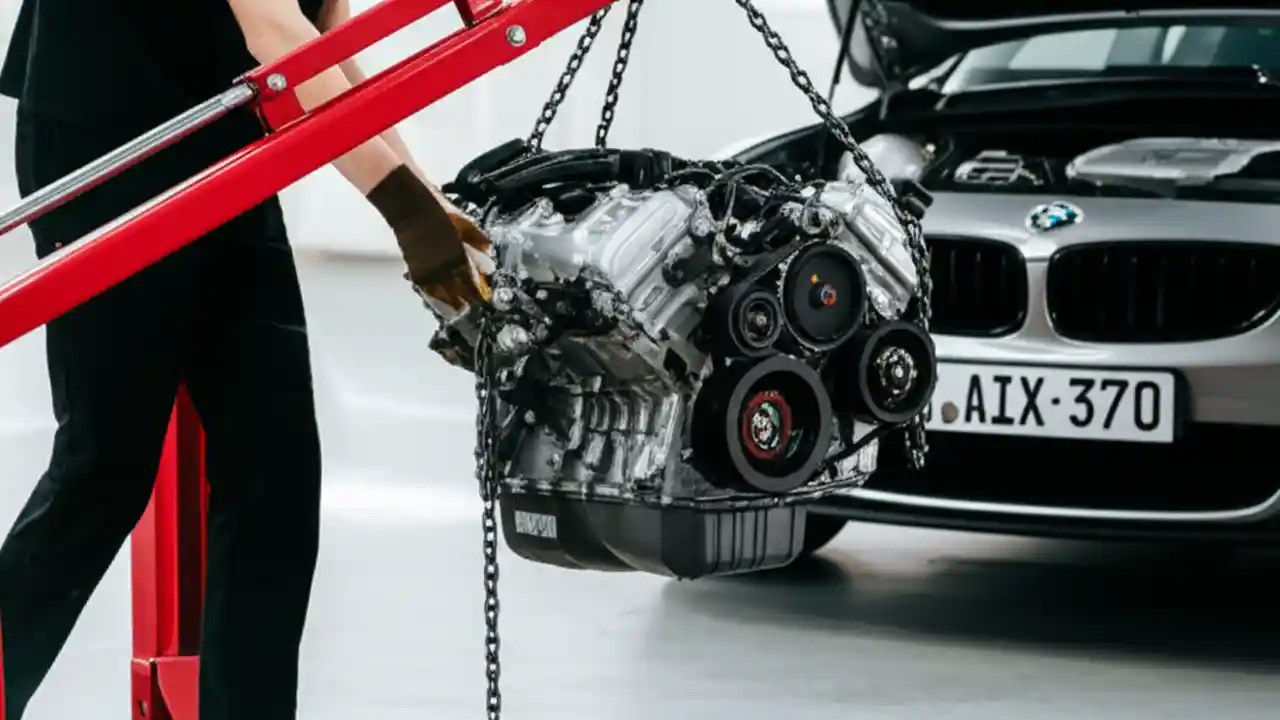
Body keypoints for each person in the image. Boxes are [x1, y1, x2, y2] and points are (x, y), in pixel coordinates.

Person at [0, 0, 490, 717]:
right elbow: (273, 33)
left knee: (275, 470)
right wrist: (404, 212)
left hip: (215, 130)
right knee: (104, 466)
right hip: (106, 134)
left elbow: (326, 47)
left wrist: (430, 202)